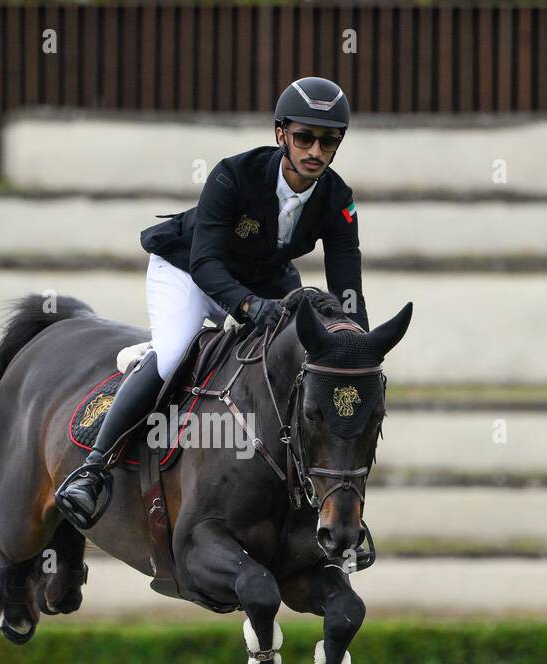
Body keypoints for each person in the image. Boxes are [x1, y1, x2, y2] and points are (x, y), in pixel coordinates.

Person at [55, 76, 369, 529]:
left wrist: (354, 345)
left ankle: (316, 500)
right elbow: (205, 264)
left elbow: (347, 290)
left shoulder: (338, 200)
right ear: (281, 133)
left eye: (328, 141)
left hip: (261, 281)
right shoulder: (233, 174)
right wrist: (248, 308)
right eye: (304, 137)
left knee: (294, 363)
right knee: (173, 355)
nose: (315, 151)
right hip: (188, 271)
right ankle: (94, 469)